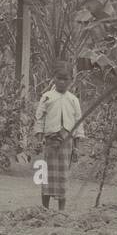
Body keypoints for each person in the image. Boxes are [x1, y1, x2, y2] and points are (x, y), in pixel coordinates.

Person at [34, 61, 83, 211]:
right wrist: (38, 139)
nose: (62, 82)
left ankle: (61, 210)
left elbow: (78, 122)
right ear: (53, 78)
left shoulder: (73, 99)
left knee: (63, 175)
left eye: (65, 79)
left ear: (71, 80)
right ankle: (45, 208)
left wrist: (77, 147)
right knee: (47, 174)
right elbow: (39, 118)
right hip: (50, 141)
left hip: (67, 142)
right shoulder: (47, 97)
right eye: (59, 78)